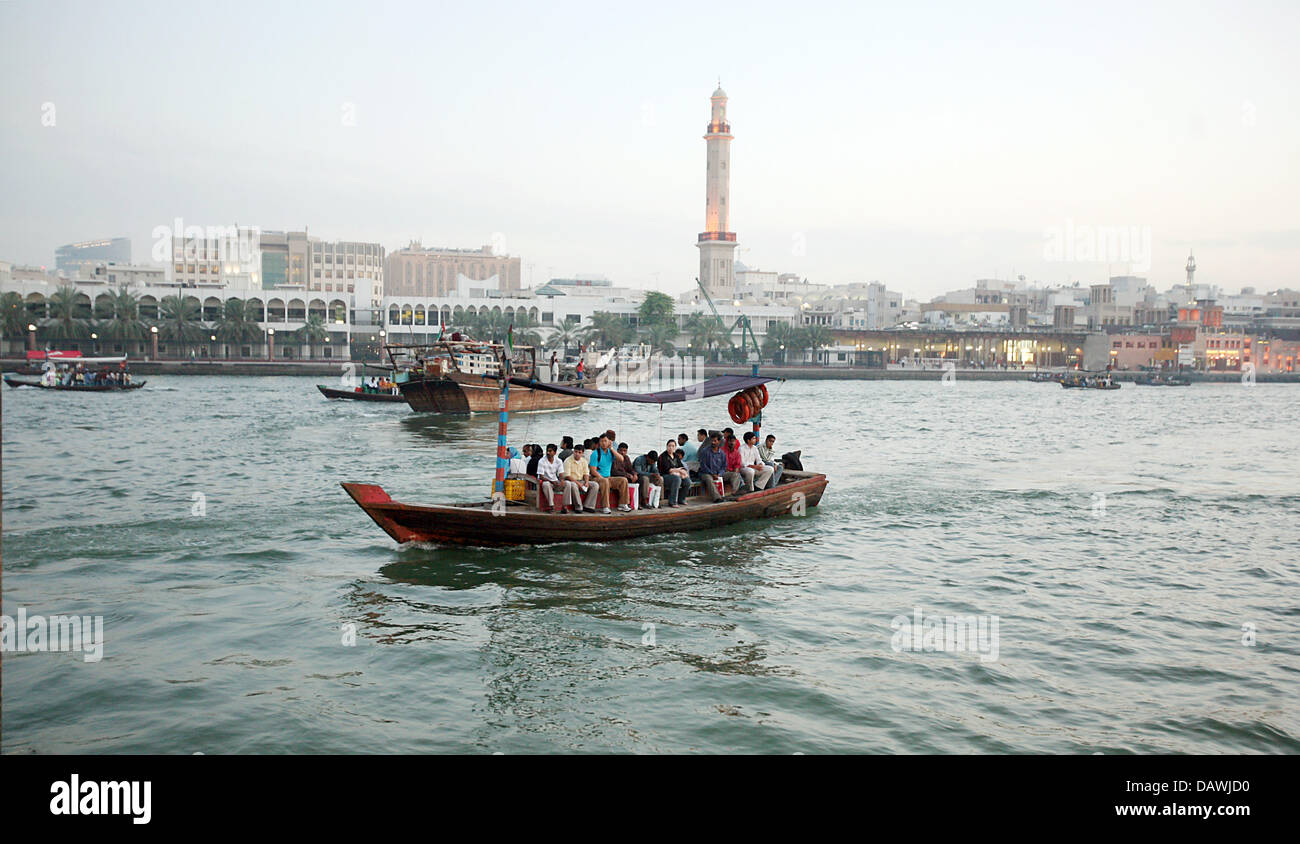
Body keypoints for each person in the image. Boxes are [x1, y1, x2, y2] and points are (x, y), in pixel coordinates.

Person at [589, 435, 630, 513]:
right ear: (599, 442)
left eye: (605, 441)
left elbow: (621, 459)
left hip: (608, 477)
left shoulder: (610, 452)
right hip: (597, 478)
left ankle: (623, 504)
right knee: (605, 481)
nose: (603, 443)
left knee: (623, 480)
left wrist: (611, 448)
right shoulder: (595, 453)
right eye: (602, 441)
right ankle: (605, 507)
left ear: (609, 442)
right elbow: (593, 471)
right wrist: (602, 478)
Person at [561, 442, 600, 512]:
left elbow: (586, 473)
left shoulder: (584, 461)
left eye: (579, 452)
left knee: (595, 485)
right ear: (573, 452)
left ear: (582, 453)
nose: (577, 454)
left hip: (581, 480)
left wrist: (587, 482)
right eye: (576, 452)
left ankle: (588, 505)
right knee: (573, 485)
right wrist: (578, 484)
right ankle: (578, 506)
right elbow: (567, 476)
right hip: (571, 481)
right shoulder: (568, 460)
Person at [535, 443, 571, 511]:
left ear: (554, 452)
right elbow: (541, 476)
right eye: (547, 451)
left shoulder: (558, 461)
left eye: (550, 451)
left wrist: (562, 481)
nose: (548, 453)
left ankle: (565, 506)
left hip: (555, 481)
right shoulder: (542, 461)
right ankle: (552, 506)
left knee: (568, 484)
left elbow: (561, 473)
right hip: (547, 481)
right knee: (546, 484)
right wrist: (552, 481)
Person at [697, 432, 729, 503]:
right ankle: (717, 498)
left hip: (718, 473)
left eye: (715, 441)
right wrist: (712, 474)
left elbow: (724, 466)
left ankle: (733, 494)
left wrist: (719, 474)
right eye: (712, 441)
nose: (713, 442)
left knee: (735, 475)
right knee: (709, 479)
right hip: (706, 473)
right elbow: (703, 466)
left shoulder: (722, 453)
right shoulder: (705, 451)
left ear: (719, 442)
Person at [657, 439, 690, 506]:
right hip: (665, 476)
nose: (671, 447)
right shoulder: (663, 456)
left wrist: (682, 471)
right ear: (666, 446)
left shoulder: (676, 456)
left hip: (676, 474)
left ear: (675, 447)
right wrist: (679, 470)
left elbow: (681, 466)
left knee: (687, 481)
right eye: (669, 446)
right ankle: (672, 501)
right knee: (677, 479)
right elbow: (668, 469)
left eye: (673, 446)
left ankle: (681, 499)